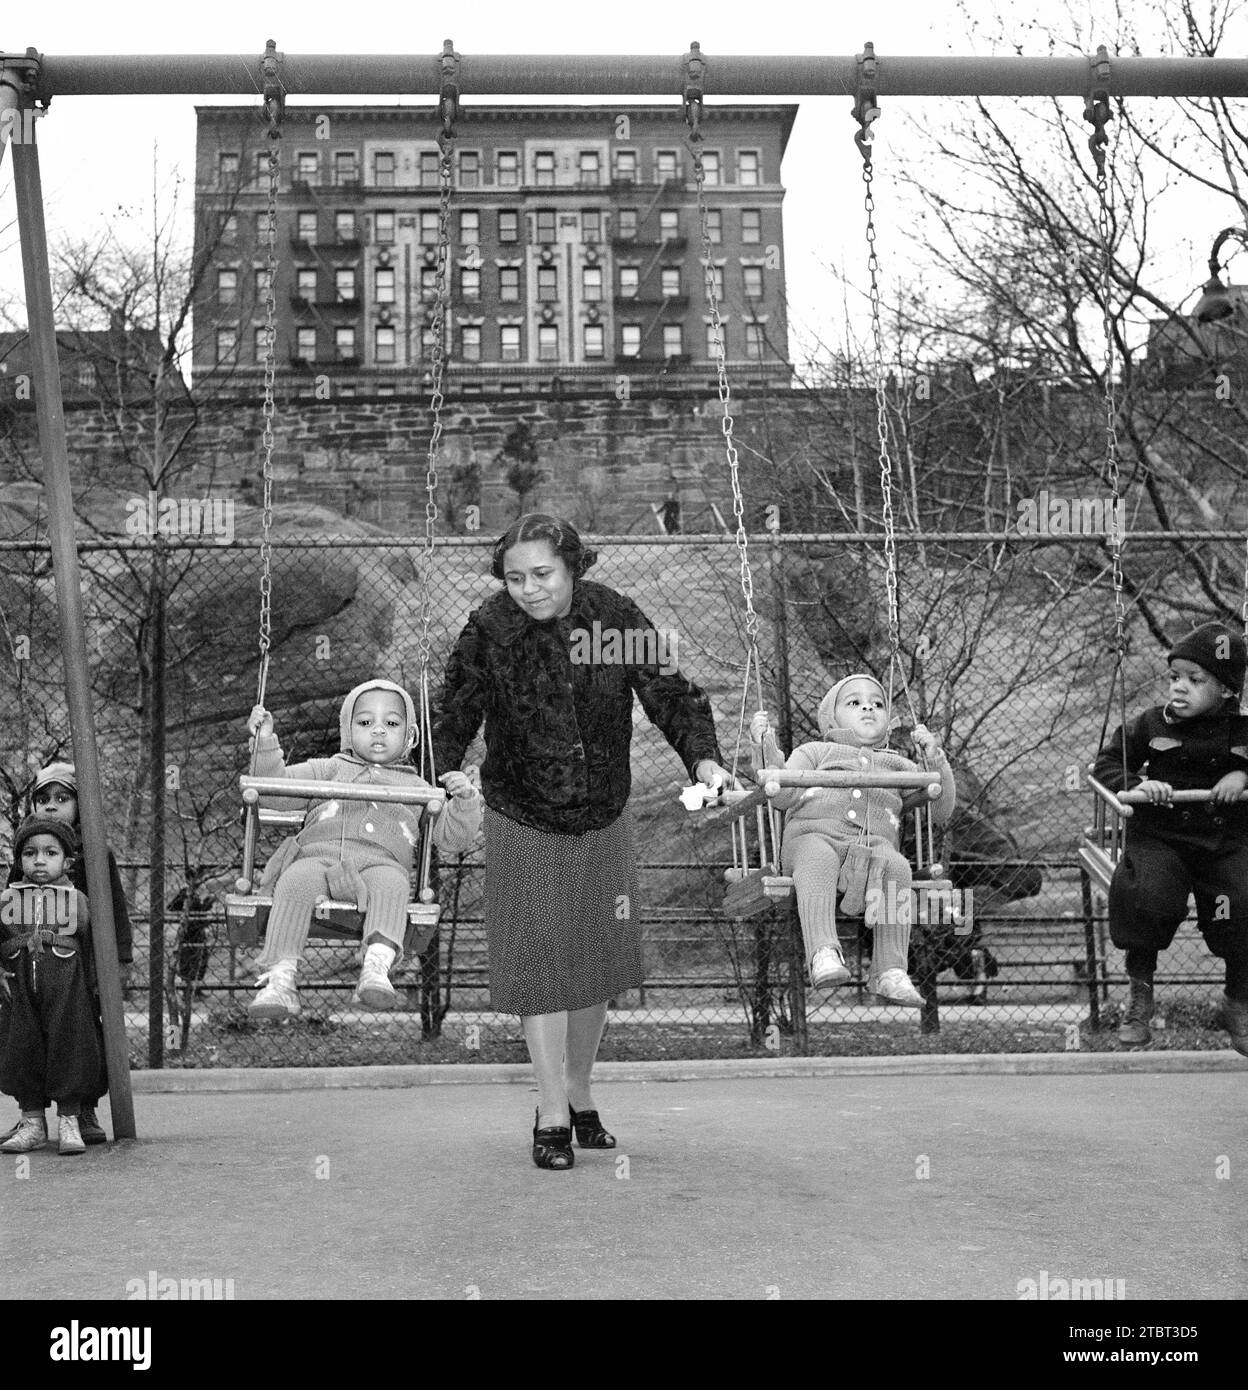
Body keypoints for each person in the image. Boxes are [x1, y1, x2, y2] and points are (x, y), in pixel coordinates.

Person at [432, 513, 732, 1171]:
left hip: (603, 811)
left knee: (595, 960)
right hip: (521, 812)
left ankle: (578, 1087)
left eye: (543, 574)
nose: (530, 589)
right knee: (540, 962)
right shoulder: (491, 629)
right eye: (516, 578)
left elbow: (672, 696)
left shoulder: (611, 620)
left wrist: (703, 761)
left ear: (573, 567)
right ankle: (548, 1110)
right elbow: (454, 708)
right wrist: (443, 771)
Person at [245, 679, 482, 1018]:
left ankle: (376, 966)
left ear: (411, 736)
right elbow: (271, 789)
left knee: (394, 884)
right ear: (347, 730)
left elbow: (451, 838)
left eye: (392, 723)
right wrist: (264, 740)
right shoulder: (327, 769)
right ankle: (280, 980)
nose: (379, 731)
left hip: (381, 865)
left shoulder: (417, 787)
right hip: (319, 858)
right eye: (365, 722)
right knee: (295, 880)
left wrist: (466, 801)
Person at [750, 673, 956, 1007]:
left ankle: (890, 971)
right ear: (832, 715)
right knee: (819, 857)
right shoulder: (814, 751)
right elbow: (781, 793)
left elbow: (940, 809)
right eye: (855, 702)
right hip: (811, 839)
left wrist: (935, 760)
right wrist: (765, 749)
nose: (868, 708)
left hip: (874, 847)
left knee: (898, 867)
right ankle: (823, 952)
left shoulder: (897, 764)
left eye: (877, 703)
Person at [1092, 623, 1248, 1053]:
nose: (1179, 688)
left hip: (1223, 843)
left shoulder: (1244, 732)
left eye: (1195, 681)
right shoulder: (1149, 724)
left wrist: (1242, 772)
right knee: (1149, 897)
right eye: (1175, 677)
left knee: (1242, 902)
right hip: (1160, 837)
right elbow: (1105, 765)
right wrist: (1135, 784)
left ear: (1227, 691)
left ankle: (1238, 1001)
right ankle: (1140, 996)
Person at [1, 762, 131, 1147]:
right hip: (31, 964)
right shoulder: (30, 849)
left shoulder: (95, 848)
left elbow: (115, 908)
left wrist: (116, 961)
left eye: (62, 798)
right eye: (42, 799)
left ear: (82, 802)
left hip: (80, 962)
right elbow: (12, 907)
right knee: (27, 1034)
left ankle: (81, 1109)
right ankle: (33, 1117)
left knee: (82, 1033)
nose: (51, 807)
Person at [0, 817, 104, 1155]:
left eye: (50, 852)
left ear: (67, 861)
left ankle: (70, 1120)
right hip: (20, 992)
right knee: (21, 1047)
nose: (39, 860)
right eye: (29, 853)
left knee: (70, 1045)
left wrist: (97, 985)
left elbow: (94, 945)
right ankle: (32, 1122)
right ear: (19, 861)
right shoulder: (7, 900)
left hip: (67, 990)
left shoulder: (79, 901)